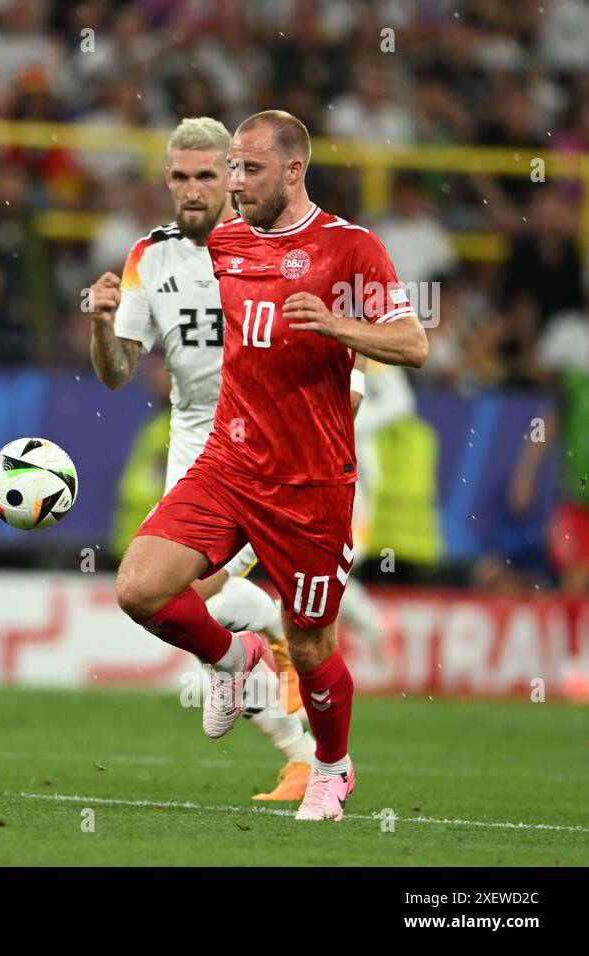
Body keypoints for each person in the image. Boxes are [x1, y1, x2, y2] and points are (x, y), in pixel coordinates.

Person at [112, 111, 427, 821]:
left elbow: (413, 344)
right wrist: (112, 309)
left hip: (311, 484)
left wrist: (339, 327)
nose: (233, 183)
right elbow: (170, 233)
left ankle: (331, 767)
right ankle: (232, 659)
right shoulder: (224, 240)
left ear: (293, 170)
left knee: (312, 641)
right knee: (140, 588)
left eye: (248, 169)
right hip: (228, 463)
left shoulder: (351, 249)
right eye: (229, 169)